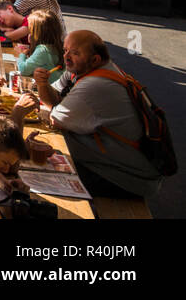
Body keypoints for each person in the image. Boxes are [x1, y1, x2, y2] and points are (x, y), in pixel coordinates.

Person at [32, 30, 165, 199]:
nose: (66, 57)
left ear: (95, 59)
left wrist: (53, 105)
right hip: (118, 165)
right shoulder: (81, 68)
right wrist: (43, 84)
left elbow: (55, 119)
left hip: (128, 179)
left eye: (75, 53)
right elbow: (53, 100)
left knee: (45, 177)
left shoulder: (96, 85)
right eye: (65, 50)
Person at [14, 9, 64, 85]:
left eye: (30, 30)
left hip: (50, 91)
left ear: (36, 33)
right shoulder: (58, 46)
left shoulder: (43, 50)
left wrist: (22, 54)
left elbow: (23, 70)